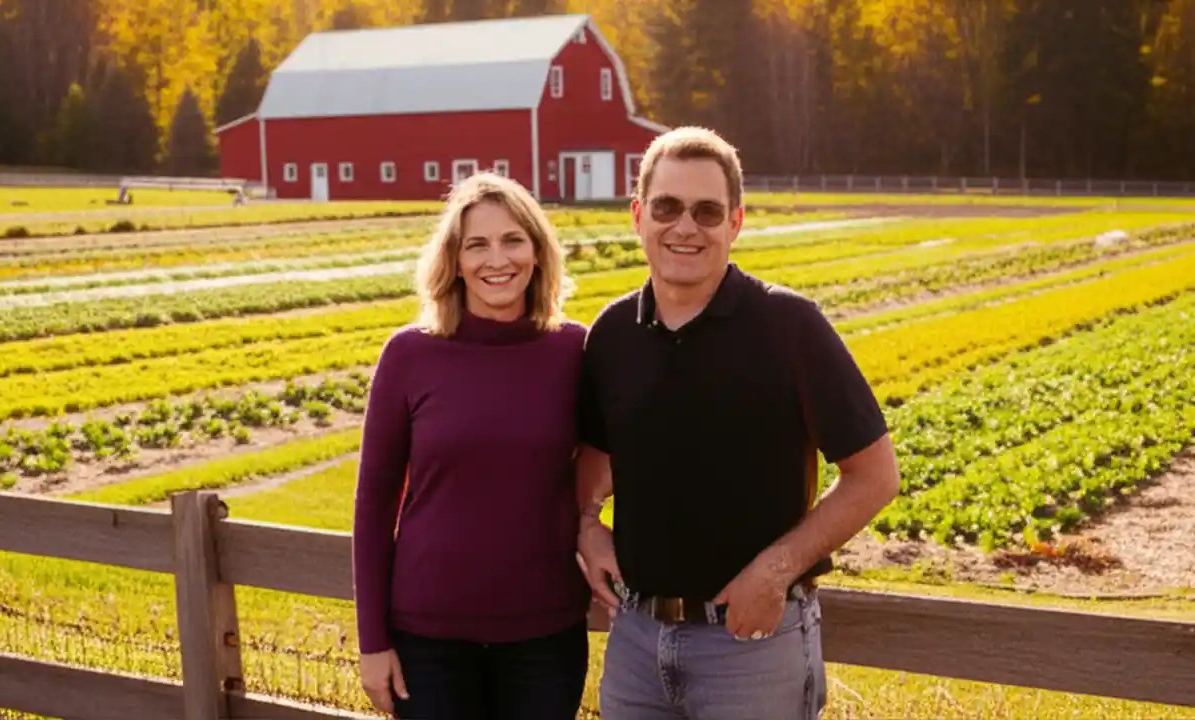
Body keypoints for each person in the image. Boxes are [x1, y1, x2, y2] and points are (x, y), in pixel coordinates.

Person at [575, 127, 901, 720]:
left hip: (752, 644)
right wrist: (586, 523)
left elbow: (874, 475)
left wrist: (774, 571)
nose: (685, 227)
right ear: (637, 215)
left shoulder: (789, 327)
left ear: (736, 222)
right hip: (636, 642)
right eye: (667, 207)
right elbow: (595, 461)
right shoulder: (614, 334)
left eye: (707, 211)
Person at [352, 172, 591, 720]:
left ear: (537, 250)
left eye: (512, 240)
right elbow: (373, 506)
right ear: (454, 261)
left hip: (544, 637)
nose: (496, 259)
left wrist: (597, 529)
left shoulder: (575, 351)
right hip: (427, 641)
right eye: (476, 245)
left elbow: (607, 463)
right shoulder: (410, 355)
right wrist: (372, 642)